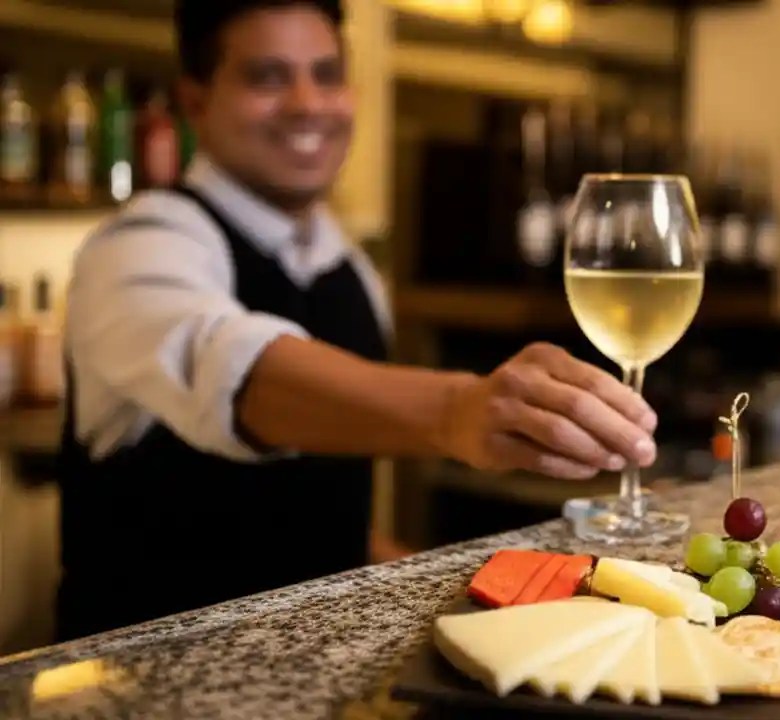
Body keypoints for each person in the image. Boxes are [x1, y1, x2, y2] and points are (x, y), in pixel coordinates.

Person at [56, 0, 657, 641]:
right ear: (195, 100)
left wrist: (471, 589)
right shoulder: (136, 245)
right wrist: (459, 409)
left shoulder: (350, 267)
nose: (308, 103)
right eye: (267, 76)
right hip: (146, 684)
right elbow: (230, 365)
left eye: (327, 73)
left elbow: (317, 515)